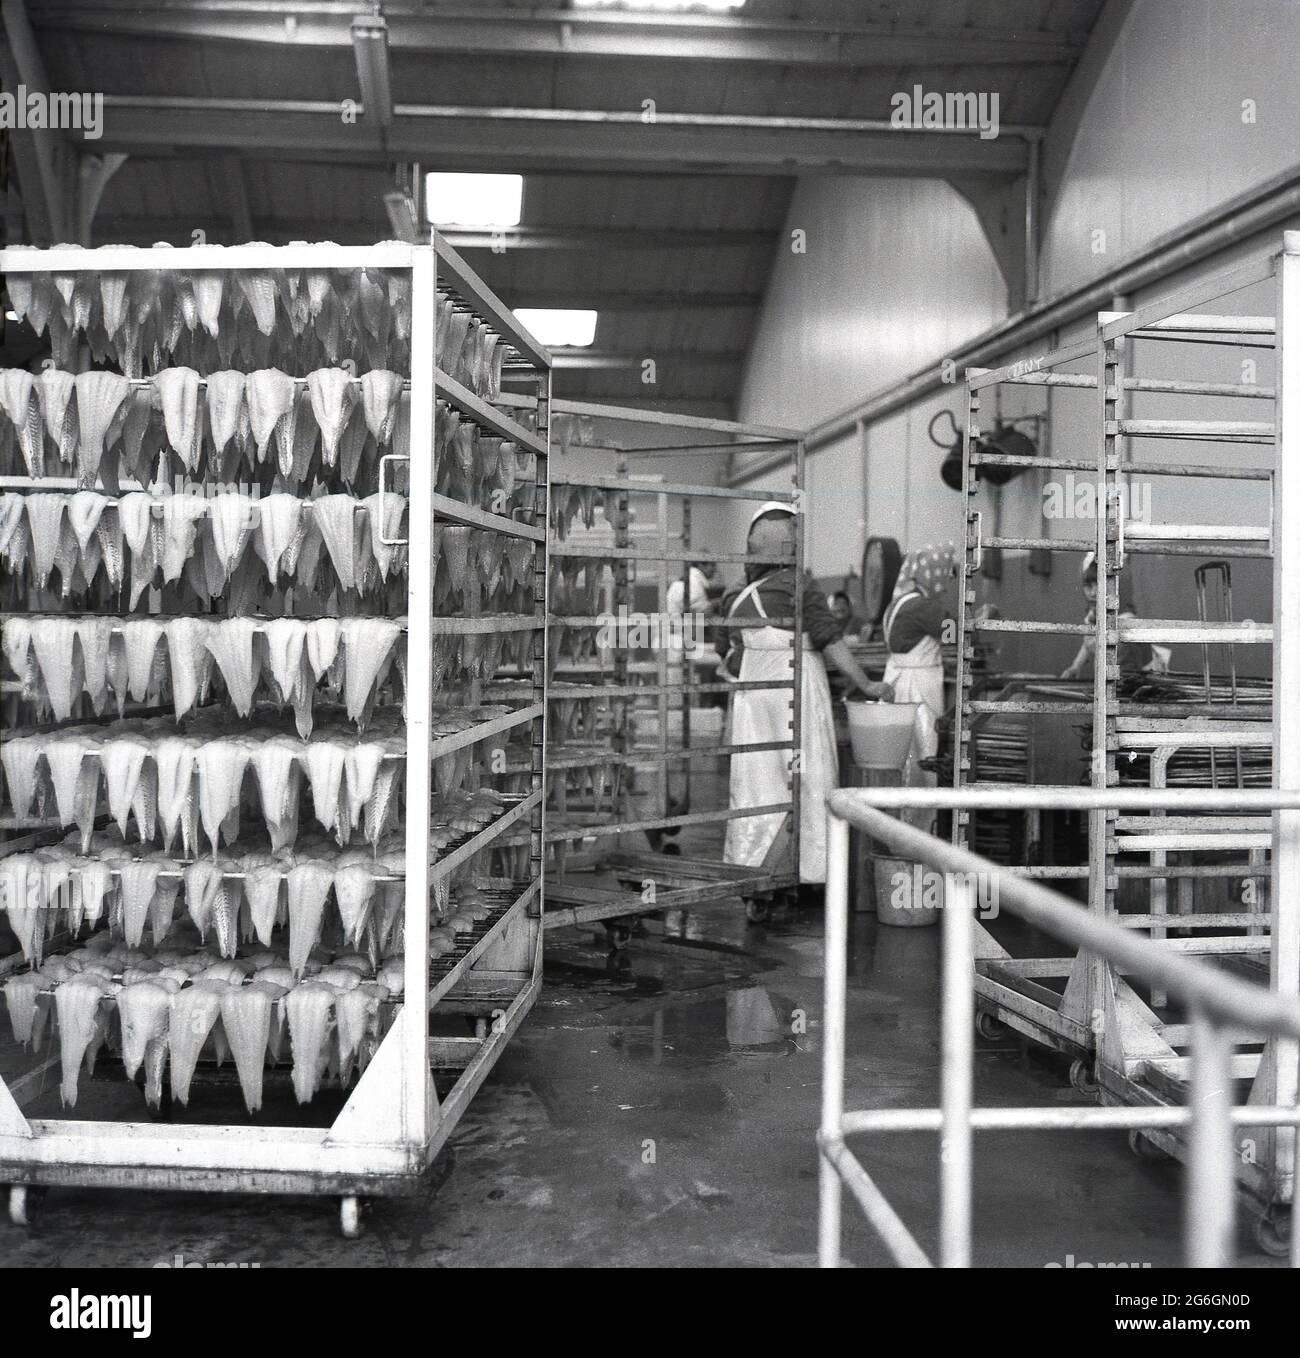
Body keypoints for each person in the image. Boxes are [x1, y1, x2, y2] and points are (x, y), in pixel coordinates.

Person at [723, 503, 892, 892]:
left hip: (753, 698)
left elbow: (729, 652)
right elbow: (829, 640)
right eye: (793, 536)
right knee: (807, 771)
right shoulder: (800, 585)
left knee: (759, 780)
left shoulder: (736, 596)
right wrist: (866, 684)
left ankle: (756, 864)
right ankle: (809, 867)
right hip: (797, 688)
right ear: (787, 544)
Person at [882, 542, 958, 829]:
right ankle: (922, 826)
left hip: (899, 681)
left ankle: (902, 824)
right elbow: (954, 635)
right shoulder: (924, 606)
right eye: (948, 573)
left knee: (905, 756)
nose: (950, 580)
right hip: (917, 688)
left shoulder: (899, 602)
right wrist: (980, 620)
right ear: (935, 573)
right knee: (924, 756)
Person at [1060, 552, 1171, 680]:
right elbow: (1089, 641)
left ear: (1114, 587)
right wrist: (1076, 666)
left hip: (1137, 685)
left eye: (1098, 585)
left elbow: (1127, 678)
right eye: (1088, 586)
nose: (1092, 592)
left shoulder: (1126, 625)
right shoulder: (1095, 614)